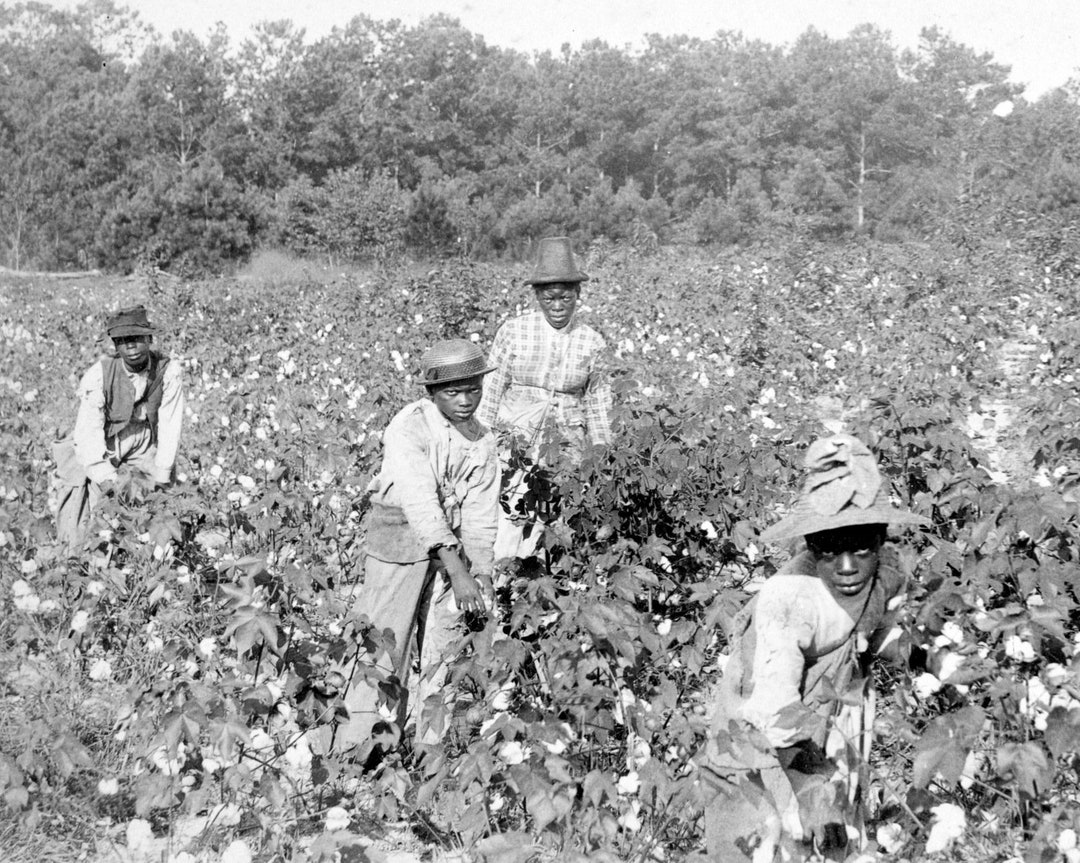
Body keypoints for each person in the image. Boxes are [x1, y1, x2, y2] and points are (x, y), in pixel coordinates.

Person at [699, 434, 928, 862]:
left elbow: (879, 628)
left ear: (882, 538)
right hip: (764, 733)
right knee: (764, 835)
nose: (847, 567)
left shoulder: (886, 571)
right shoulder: (790, 600)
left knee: (836, 831)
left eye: (862, 547)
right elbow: (775, 712)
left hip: (829, 718)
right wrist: (814, 794)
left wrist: (931, 656)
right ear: (809, 544)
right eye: (829, 550)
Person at [338, 340, 500, 763]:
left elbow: (481, 512)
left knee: (442, 648)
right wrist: (458, 571)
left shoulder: (482, 440)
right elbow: (421, 502)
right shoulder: (408, 428)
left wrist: (480, 570)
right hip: (400, 542)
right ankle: (357, 748)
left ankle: (430, 748)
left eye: (473, 390)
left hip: (454, 550)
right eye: (453, 392)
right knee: (383, 645)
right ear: (431, 393)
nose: (465, 401)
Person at [477, 236, 613, 561]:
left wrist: (602, 457)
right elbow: (491, 389)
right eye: (549, 297)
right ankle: (503, 575)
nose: (557, 305)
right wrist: (481, 442)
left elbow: (598, 406)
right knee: (512, 512)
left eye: (566, 297)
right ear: (537, 296)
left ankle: (547, 576)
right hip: (517, 442)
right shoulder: (514, 331)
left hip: (567, 443)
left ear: (578, 295)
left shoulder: (591, 342)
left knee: (557, 516)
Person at [53, 305, 184, 550]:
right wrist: (106, 478)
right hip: (106, 440)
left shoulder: (168, 371)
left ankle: (147, 554)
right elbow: (89, 433)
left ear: (149, 339)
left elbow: (170, 423)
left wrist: (162, 474)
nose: (131, 346)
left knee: (151, 503)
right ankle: (89, 556)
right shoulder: (99, 375)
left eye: (136, 338)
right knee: (95, 509)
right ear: (115, 345)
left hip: (145, 439)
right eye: (123, 341)